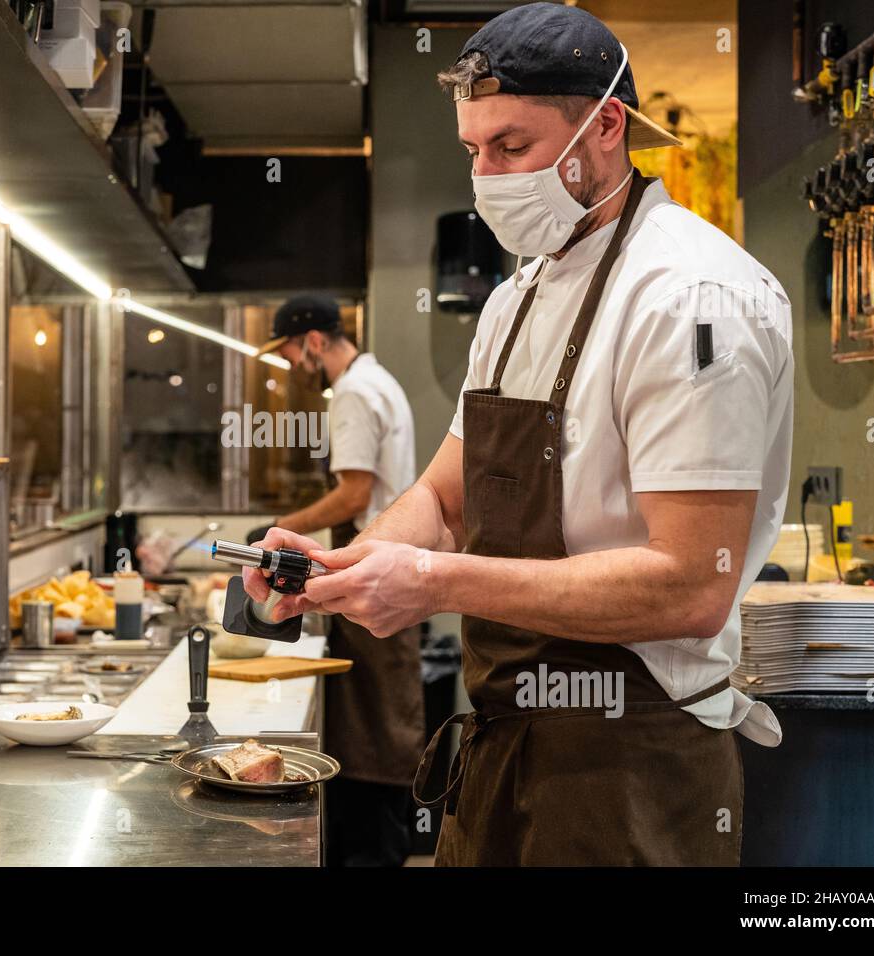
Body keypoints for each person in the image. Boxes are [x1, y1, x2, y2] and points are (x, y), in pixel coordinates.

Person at [246, 3, 792, 866]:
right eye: (473, 151)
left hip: (630, 765)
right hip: (502, 746)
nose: (487, 176)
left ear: (606, 126)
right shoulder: (515, 299)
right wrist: (339, 571)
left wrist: (431, 581)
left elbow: (692, 585)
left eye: (513, 147)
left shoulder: (692, 297)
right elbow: (441, 497)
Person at [253, 293, 425, 867]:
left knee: (371, 733)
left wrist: (282, 529)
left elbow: (354, 494)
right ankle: (382, 846)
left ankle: (371, 854)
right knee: (383, 726)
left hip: (369, 569)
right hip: (387, 565)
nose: (294, 366)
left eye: (293, 353)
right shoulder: (382, 381)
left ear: (316, 342)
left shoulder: (351, 392)